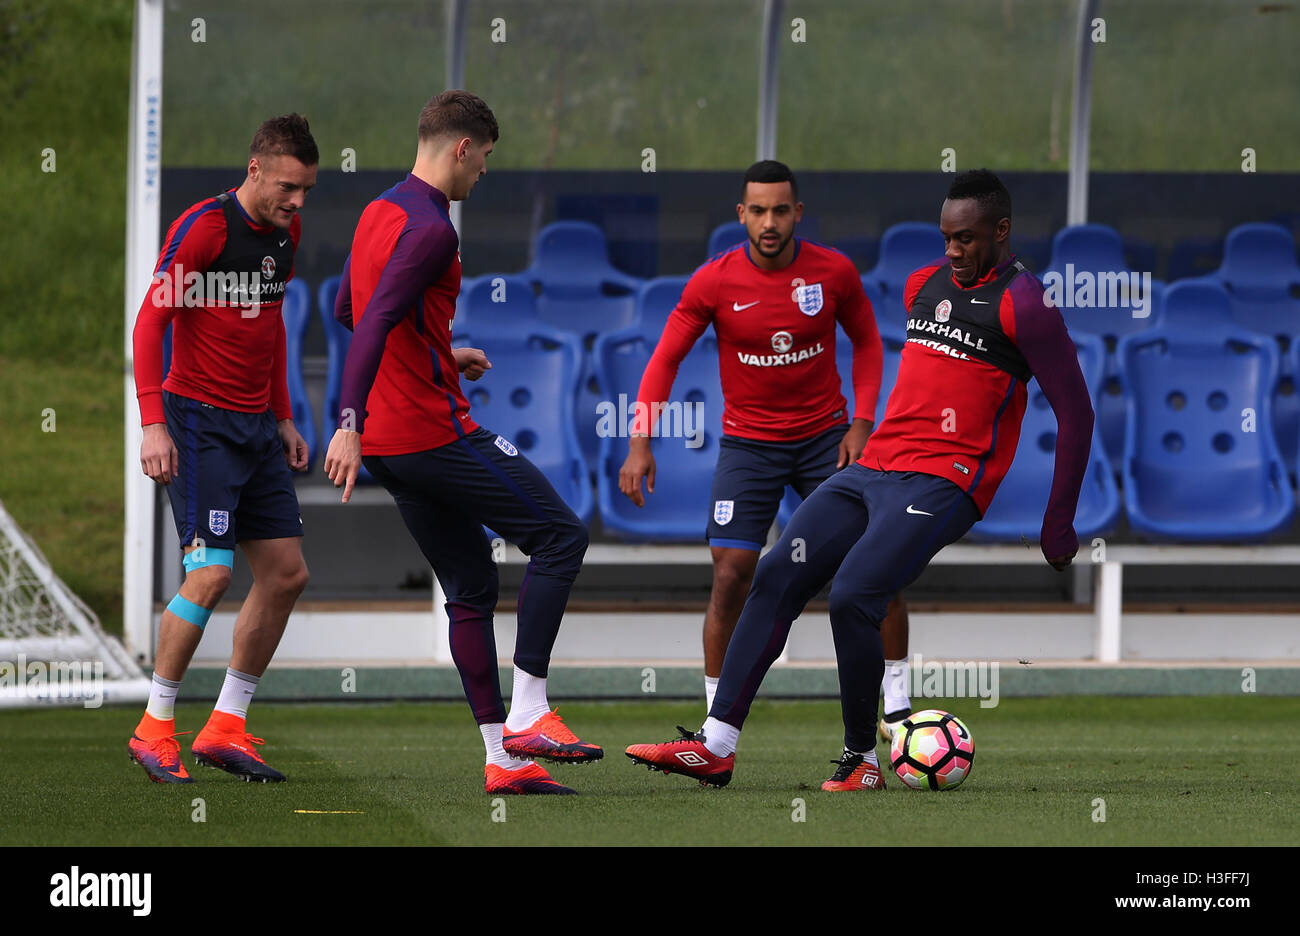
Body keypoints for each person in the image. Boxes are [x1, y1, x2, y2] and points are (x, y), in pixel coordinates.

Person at [626, 169, 1093, 791]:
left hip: (945, 482)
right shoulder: (923, 285)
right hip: (874, 467)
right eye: (947, 238)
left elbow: (1077, 412)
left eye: (967, 240)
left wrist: (1058, 522)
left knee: (854, 596)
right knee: (773, 574)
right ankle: (715, 746)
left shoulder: (1027, 304)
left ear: (1001, 231)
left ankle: (861, 759)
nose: (952, 252)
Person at [324, 90, 597, 796]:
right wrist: (345, 422)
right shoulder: (434, 230)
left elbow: (348, 310)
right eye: (486, 162)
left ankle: (502, 761)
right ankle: (530, 712)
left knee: (472, 586)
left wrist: (447, 350)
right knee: (561, 536)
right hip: (428, 431)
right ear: (462, 149)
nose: (484, 177)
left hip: (390, 442)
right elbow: (376, 319)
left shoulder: (378, 211)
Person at [618, 160, 915, 728]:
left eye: (780, 210)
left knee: (876, 563)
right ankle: (714, 721)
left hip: (827, 439)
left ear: (797, 212)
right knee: (731, 573)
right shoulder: (714, 280)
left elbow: (869, 345)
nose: (769, 221)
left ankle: (898, 709)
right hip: (749, 445)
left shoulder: (833, 273)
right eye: (758, 211)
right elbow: (665, 359)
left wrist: (863, 422)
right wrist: (640, 441)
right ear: (742, 215)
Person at [129, 114, 318, 784]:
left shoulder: (284, 236)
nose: (297, 202)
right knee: (209, 574)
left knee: (287, 574)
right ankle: (155, 727)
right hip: (198, 423)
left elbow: (269, 332)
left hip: (255, 428)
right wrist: (153, 424)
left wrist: (284, 416)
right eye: (289, 187)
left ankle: (226, 725)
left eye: (306, 191)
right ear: (256, 169)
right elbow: (149, 326)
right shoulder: (205, 229)